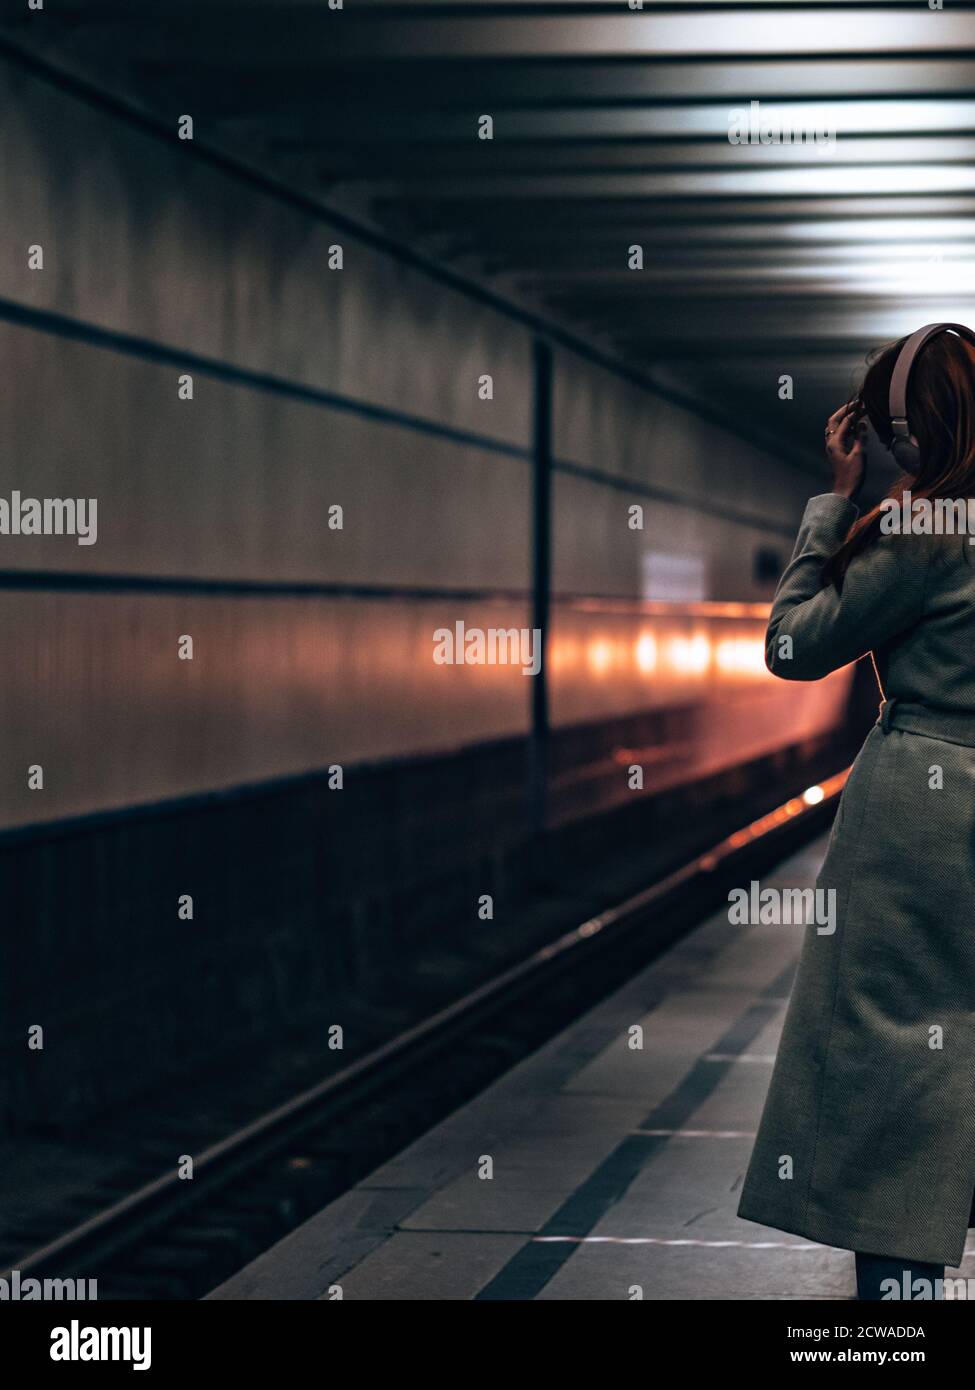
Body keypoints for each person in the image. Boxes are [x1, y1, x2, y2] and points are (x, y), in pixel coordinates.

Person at [736, 326, 975, 1301]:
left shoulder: (927, 533)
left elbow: (794, 647)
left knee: (889, 1051)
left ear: (910, 436)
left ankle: (898, 1314)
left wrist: (833, 505)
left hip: (922, 805)